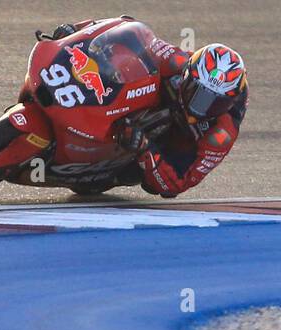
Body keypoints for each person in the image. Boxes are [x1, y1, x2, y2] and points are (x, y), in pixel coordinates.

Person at [42, 17, 247, 196]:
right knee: (125, 59)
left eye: (215, 103)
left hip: (179, 139)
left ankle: (112, 169)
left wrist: (146, 150)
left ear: (228, 103)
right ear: (187, 74)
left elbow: (178, 184)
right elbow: (127, 29)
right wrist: (76, 32)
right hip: (163, 99)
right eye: (197, 93)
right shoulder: (176, 61)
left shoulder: (221, 134)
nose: (201, 107)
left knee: (154, 184)